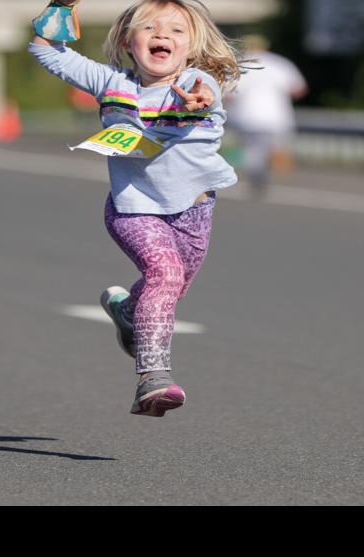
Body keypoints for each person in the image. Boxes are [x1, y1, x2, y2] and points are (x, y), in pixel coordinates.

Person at [29, 0, 241, 417]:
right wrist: (59, 8)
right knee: (165, 274)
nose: (162, 35)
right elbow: (46, 51)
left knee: (171, 289)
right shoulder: (112, 83)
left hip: (194, 210)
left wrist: (198, 101)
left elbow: (205, 95)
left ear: (193, 45)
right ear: (128, 41)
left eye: (176, 31)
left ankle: (126, 311)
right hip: (133, 209)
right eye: (149, 27)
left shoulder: (199, 81)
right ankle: (152, 379)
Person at [225, 34, 305, 196]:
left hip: (246, 116)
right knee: (271, 148)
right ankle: (267, 167)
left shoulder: (237, 64)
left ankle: (258, 177)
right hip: (277, 117)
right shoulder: (280, 63)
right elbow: (299, 89)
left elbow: (227, 94)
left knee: (253, 150)